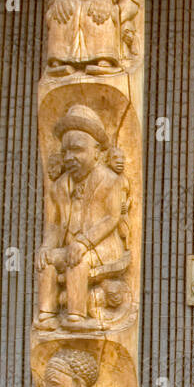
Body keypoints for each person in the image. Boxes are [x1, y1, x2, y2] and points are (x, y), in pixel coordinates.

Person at [35, 105, 130, 330]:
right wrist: (47, 248)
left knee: (78, 261)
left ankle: (75, 317)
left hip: (102, 247)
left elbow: (111, 217)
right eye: (66, 151)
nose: (69, 157)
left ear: (96, 152)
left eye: (77, 150)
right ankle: (46, 315)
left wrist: (83, 242)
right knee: (47, 261)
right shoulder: (59, 187)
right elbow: (56, 224)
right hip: (72, 248)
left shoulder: (110, 180)